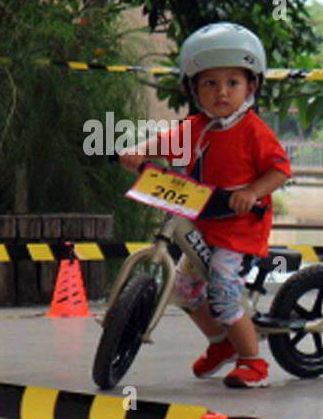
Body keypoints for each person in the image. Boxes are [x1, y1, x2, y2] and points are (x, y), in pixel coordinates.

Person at [118, 22, 291, 388]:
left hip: (239, 228)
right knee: (184, 290)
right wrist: (137, 154)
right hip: (204, 221)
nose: (221, 92)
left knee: (224, 290)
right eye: (210, 83)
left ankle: (252, 362)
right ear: (194, 89)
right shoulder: (197, 126)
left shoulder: (253, 131)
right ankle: (220, 343)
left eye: (232, 83)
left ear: (251, 86)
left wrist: (254, 192)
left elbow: (279, 170)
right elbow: (165, 144)